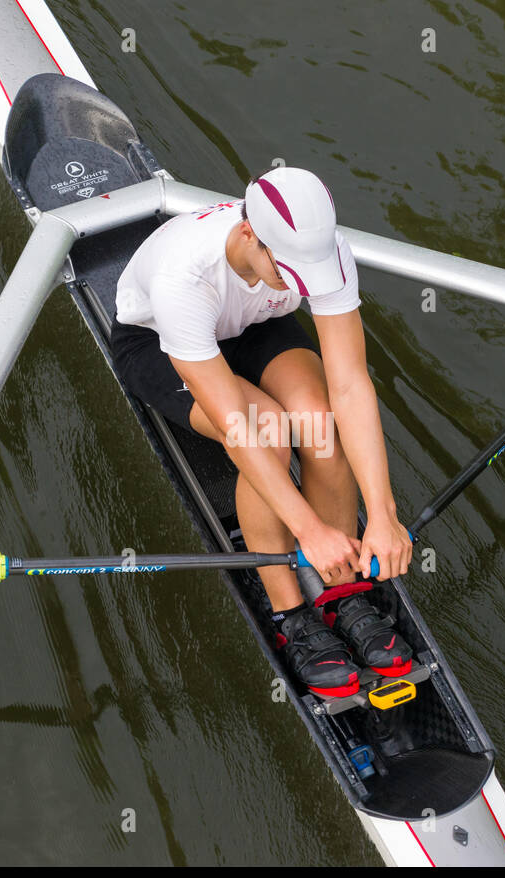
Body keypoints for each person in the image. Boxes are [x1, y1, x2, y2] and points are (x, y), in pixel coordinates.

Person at [111, 167, 413, 697]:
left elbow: (350, 387)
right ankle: (290, 614)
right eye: (291, 268)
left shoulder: (327, 254)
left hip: (256, 324)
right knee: (268, 429)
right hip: (157, 341)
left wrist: (384, 514)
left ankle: (342, 593)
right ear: (249, 233)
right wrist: (309, 528)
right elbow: (235, 428)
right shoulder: (185, 277)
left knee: (319, 422)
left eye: (310, 271)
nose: (303, 283)